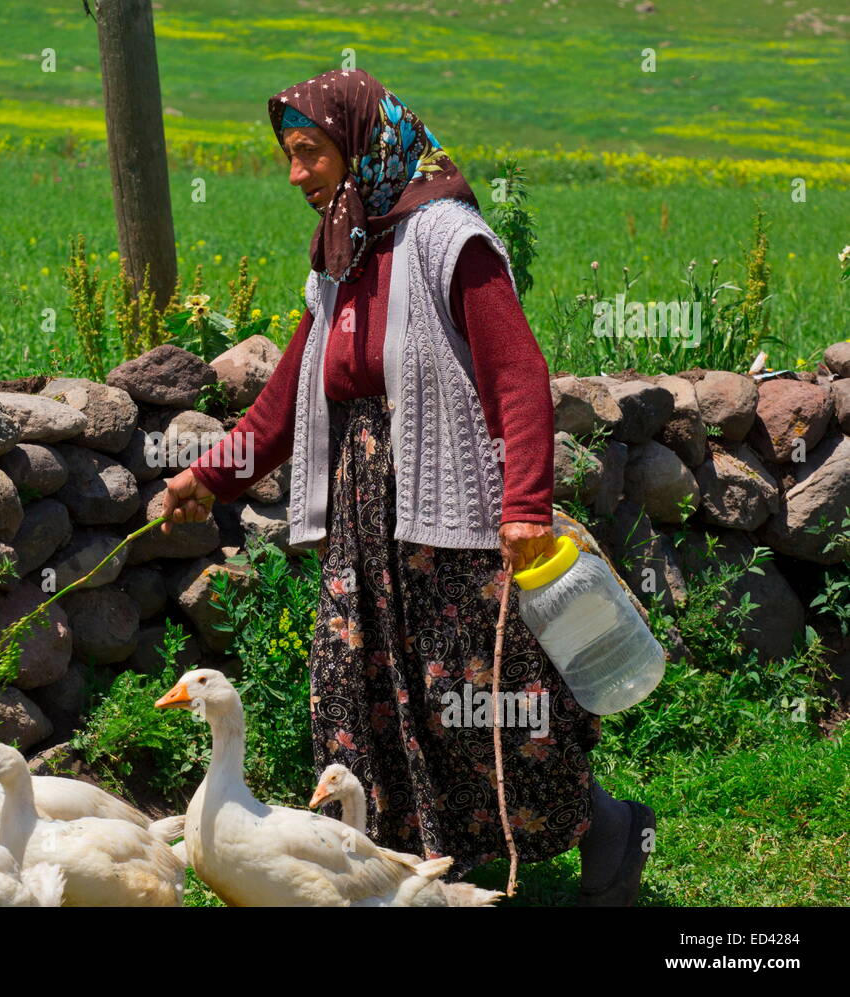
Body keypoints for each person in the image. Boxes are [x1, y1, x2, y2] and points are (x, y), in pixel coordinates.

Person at [160, 69, 654, 905]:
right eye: (288, 156)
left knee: (485, 707)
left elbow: (520, 378)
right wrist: (206, 475)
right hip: (366, 525)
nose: (296, 174)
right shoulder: (342, 258)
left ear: (360, 143)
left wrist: (527, 504)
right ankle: (420, 879)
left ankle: (608, 824)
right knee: (362, 703)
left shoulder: (447, 240)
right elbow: (286, 402)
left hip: (453, 518)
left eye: (308, 152)